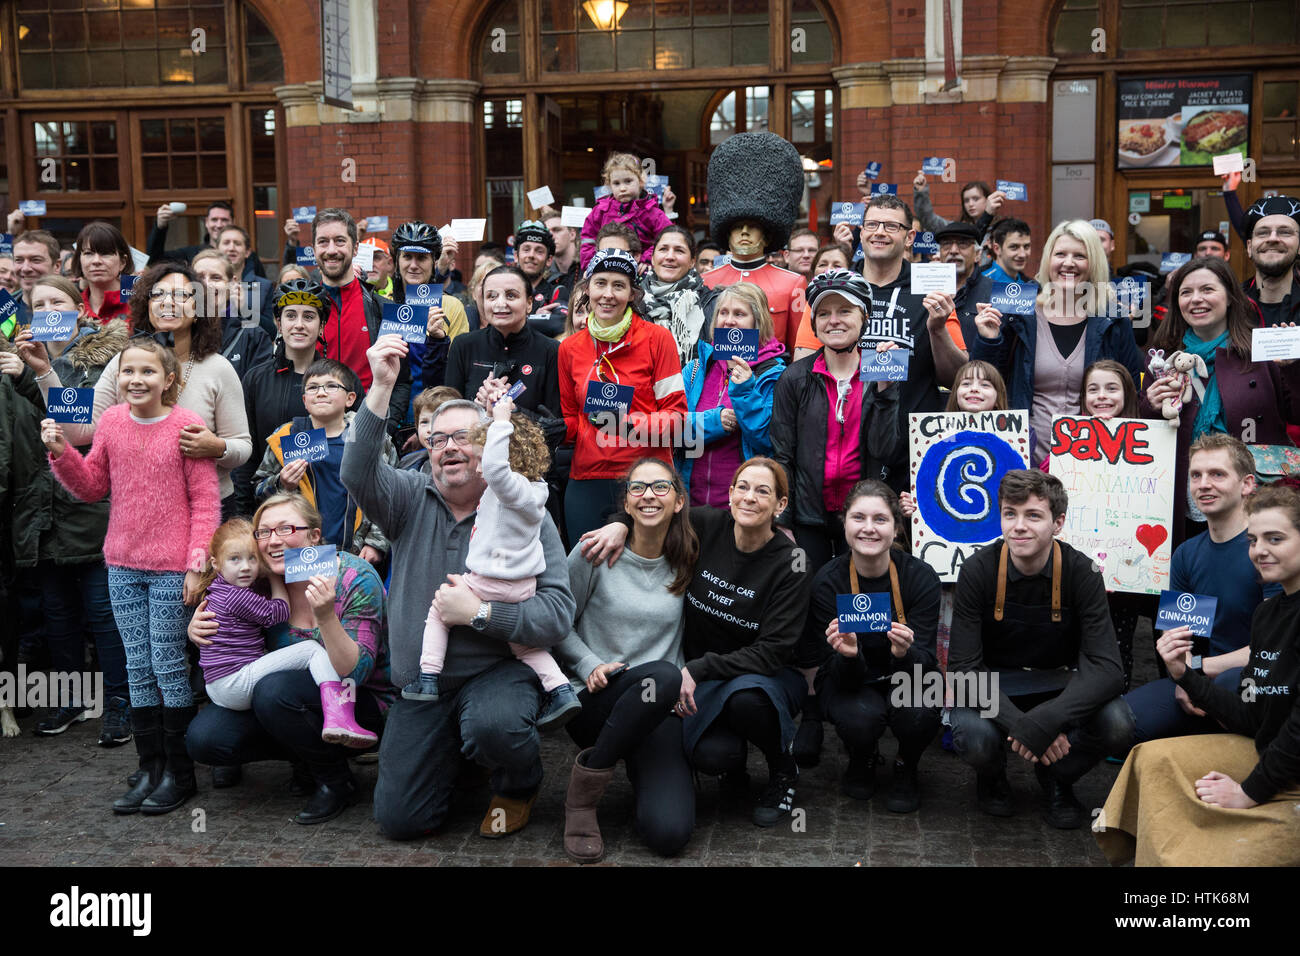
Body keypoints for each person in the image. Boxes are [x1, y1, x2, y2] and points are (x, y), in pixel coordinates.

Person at [341, 335, 576, 840]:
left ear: (488, 443)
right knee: (402, 821)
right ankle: (463, 760)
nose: (448, 448)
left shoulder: (523, 509)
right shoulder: (406, 495)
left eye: (462, 437)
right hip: (422, 687)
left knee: (495, 726)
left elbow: (557, 613)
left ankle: (518, 781)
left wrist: (482, 615)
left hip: (498, 673)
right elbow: (356, 472)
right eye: (437, 439)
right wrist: (381, 386)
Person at [43, 338, 221, 815]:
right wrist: (62, 453)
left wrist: (196, 563)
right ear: (117, 378)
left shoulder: (187, 426)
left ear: (169, 380)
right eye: (128, 371)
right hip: (121, 563)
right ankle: (150, 768)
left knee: (167, 665)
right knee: (136, 667)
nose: (136, 379)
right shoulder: (113, 423)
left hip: (171, 569)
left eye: (147, 372)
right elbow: (92, 486)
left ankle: (180, 776)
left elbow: (205, 502)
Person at [1096, 482, 1300, 867]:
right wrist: (1183, 673)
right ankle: (1136, 855)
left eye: (1275, 538)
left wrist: (1249, 792)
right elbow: (1252, 713)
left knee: (1198, 850)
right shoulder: (1267, 613)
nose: (1260, 550)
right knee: (1149, 758)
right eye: (1254, 540)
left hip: (1285, 764)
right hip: (1265, 746)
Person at [185, 493, 392, 824]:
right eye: (263, 532)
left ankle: (334, 780)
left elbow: (355, 674)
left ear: (314, 535)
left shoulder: (353, 575)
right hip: (288, 700)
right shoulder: (259, 584)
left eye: (285, 529)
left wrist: (325, 615)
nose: (272, 541)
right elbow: (221, 598)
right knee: (206, 738)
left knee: (275, 690)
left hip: (359, 699)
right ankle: (305, 756)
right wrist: (199, 627)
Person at [946, 470, 1132, 829]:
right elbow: (963, 669)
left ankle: (1058, 777)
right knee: (973, 738)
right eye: (1009, 514)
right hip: (996, 686)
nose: (1019, 526)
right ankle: (993, 775)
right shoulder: (976, 571)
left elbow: (1109, 669)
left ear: (1058, 523)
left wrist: (1048, 720)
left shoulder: (1084, 572)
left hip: (1060, 684)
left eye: (1033, 515)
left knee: (1119, 723)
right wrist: (1021, 725)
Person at [405, 392, 581, 729]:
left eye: (483, 452)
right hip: (521, 588)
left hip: (489, 582)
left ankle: (428, 676)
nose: (479, 460)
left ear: (506, 457)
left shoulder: (508, 488)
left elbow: (499, 469)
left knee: (439, 611)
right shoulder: (538, 489)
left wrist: (500, 421)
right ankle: (560, 689)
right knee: (525, 648)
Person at [6, 277, 131, 744]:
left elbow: (75, 425)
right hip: (39, 508)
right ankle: (70, 698)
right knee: (57, 613)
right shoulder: (15, 360)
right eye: (38, 305)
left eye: (57, 302)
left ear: (79, 310)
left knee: (103, 612)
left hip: (90, 503)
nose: (47, 310)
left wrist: (31, 373)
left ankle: (121, 701)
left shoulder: (101, 362)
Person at [556, 458, 697, 860]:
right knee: (664, 675)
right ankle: (582, 798)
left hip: (660, 707)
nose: (648, 495)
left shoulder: (689, 556)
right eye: (637, 488)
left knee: (669, 834)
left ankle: (630, 770)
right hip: (596, 698)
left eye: (660, 487)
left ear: (679, 501)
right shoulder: (593, 552)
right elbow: (557, 625)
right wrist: (588, 665)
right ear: (627, 502)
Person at [803, 196, 970, 483]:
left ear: (909, 237)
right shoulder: (832, 288)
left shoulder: (929, 286)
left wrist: (937, 329)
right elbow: (803, 367)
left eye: (891, 226)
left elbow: (957, 376)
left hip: (914, 447)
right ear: (862, 231)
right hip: (841, 445)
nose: (879, 232)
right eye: (872, 224)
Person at [1123, 434, 1277, 746]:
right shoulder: (1186, 554)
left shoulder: (1269, 548)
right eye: (1196, 475)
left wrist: (1193, 673)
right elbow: (1179, 634)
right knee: (1116, 722)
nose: (1204, 484)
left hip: (1261, 681)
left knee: (1236, 682)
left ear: (1247, 484)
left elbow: (1273, 647)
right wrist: (1186, 677)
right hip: (1199, 678)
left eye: (1217, 474)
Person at [803, 480, 942, 811]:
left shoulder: (921, 577)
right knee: (860, 718)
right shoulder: (826, 581)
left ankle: (907, 764)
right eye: (858, 518)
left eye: (880, 519)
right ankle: (862, 757)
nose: (869, 528)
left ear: (896, 528)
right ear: (845, 524)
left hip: (908, 678)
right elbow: (827, 672)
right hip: (850, 682)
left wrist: (904, 653)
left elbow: (927, 664)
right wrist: (848, 658)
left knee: (921, 712)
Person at [79, 262, 252, 520]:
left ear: (198, 309)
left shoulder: (219, 368)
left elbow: (243, 446)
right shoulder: (122, 362)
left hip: (206, 510)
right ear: (147, 307)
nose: (168, 302)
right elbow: (83, 430)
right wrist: (43, 373)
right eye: (158, 294)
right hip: (139, 509)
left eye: (182, 295)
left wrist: (216, 447)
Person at [1142, 256, 1300, 536]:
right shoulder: (1162, 358)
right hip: (1182, 497)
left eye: (1207, 289)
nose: (1196, 299)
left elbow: (1296, 412)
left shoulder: (1260, 352)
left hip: (1253, 497)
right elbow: (1146, 438)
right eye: (1186, 292)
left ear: (1229, 297)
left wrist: (1292, 369)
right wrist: (1151, 407)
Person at [969, 219, 1143, 465]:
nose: (1068, 263)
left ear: (1093, 262)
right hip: (1025, 460)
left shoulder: (1113, 319)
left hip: (1095, 465)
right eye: (1060, 254)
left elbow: (1131, 394)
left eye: (1080, 256)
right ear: (1048, 260)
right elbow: (986, 381)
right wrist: (988, 339)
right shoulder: (1020, 314)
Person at [195, 518, 376, 746]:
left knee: (278, 691)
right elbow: (278, 611)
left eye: (252, 558)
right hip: (235, 682)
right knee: (311, 649)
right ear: (216, 563)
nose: (245, 567)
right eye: (235, 559)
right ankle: (339, 715)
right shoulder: (237, 594)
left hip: (217, 685)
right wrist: (273, 576)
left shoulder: (220, 588)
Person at [772, 269, 903, 571]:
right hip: (808, 517)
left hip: (863, 515)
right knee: (804, 594)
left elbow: (886, 451)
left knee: (857, 594)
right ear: (814, 324)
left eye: (845, 311)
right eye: (824, 313)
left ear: (864, 317)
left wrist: (885, 391)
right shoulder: (794, 378)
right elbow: (782, 456)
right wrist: (783, 521)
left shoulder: (882, 372)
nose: (834, 320)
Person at [558, 249, 687, 542]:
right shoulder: (569, 348)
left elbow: (677, 419)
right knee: (586, 572)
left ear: (632, 294)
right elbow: (574, 421)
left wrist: (628, 424)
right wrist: (552, 430)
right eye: (600, 283)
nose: (608, 294)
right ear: (587, 288)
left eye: (619, 285)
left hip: (645, 476)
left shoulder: (658, 339)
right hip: (588, 477)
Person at [252, 358, 393, 566]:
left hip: (358, 551)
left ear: (350, 398)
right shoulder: (287, 436)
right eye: (313, 388)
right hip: (302, 554)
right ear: (304, 401)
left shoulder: (371, 437)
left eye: (331, 386)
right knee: (310, 597)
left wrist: (376, 542)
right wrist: (283, 483)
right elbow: (257, 490)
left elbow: (389, 494)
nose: (321, 392)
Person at [703, 133, 808, 356]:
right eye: (737, 225)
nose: (743, 231)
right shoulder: (706, 281)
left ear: (767, 235)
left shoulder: (793, 284)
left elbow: (797, 347)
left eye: (752, 226)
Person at [680, 282, 784, 508]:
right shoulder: (696, 369)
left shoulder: (774, 374)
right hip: (690, 501)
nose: (729, 321)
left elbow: (768, 439)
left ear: (758, 322)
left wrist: (745, 390)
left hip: (742, 506)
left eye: (739, 314)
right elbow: (672, 429)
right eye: (723, 313)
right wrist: (715, 421)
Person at [234, 279, 328, 518]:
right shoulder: (255, 380)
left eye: (308, 316)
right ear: (278, 322)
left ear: (322, 325)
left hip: (327, 509)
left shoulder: (340, 380)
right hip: (269, 509)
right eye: (290, 316)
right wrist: (244, 518)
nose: (299, 325)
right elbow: (248, 458)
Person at [312, 208, 409, 436]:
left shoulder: (383, 309)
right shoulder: (301, 312)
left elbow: (402, 381)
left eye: (339, 241)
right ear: (314, 249)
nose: (331, 250)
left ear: (355, 248)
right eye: (323, 242)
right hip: (315, 432)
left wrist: (386, 428)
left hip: (368, 430)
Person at [389, 221, 470, 406]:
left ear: (434, 262)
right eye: (407, 256)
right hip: (392, 410)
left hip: (435, 410)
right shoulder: (384, 302)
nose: (413, 265)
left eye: (422, 258)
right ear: (397, 260)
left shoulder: (452, 305)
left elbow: (457, 370)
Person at [578, 152, 674, 272]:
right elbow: (588, 239)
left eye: (628, 181)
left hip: (642, 270)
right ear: (609, 185)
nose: (622, 188)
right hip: (606, 269)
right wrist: (591, 266)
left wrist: (648, 258)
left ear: (641, 181)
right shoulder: (600, 210)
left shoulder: (652, 212)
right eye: (616, 183)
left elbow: (668, 237)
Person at [640, 225, 716, 368]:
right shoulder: (632, 301)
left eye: (679, 251)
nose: (670, 257)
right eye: (663, 249)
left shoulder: (713, 303)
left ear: (692, 261)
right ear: (652, 258)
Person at [192, 248, 272, 380]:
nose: (206, 284)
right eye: (199, 278)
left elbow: (259, 393)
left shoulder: (255, 337)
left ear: (232, 283)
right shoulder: (179, 333)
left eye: (216, 277)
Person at [148, 200, 266, 278]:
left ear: (232, 222)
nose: (219, 225)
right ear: (206, 222)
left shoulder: (247, 256)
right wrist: (160, 226)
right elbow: (155, 260)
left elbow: (261, 286)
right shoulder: (191, 254)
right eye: (214, 220)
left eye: (224, 220)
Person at [1241, 195, 1300, 328]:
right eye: (1263, 233)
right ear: (1249, 247)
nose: (1273, 238)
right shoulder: (1229, 303)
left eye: (1285, 232)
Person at [512, 219, 569, 337]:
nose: (531, 255)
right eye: (526, 249)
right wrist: (537, 318)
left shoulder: (557, 291)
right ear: (516, 256)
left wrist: (517, 320)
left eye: (539, 251)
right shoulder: (503, 289)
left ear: (549, 260)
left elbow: (560, 323)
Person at [215, 225, 276, 334]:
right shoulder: (205, 284)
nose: (231, 248)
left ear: (247, 252)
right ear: (217, 249)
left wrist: (244, 308)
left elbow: (271, 332)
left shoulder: (264, 286)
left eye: (237, 243)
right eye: (226, 243)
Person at [73, 222, 132, 327]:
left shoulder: (140, 303)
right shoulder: (71, 306)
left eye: (105, 253)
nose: (96, 261)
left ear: (122, 262)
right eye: (88, 253)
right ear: (79, 260)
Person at [911, 175, 1002, 235]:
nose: (970, 204)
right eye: (966, 200)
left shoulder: (999, 230)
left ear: (987, 199)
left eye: (976, 199)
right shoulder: (957, 228)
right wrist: (921, 193)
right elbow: (928, 219)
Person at [11, 230, 59, 324]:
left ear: (57, 266)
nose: (25, 268)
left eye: (36, 260)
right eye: (19, 260)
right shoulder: (4, 307)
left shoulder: (74, 306)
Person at [981, 218, 1033, 285]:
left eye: (1026, 247)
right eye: (1014, 247)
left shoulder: (1031, 285)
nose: (1022, 254)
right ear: (997, 249)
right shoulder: (979, 283)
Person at [542, 210, 580, 296]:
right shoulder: (544, 276)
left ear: (572, 234)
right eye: (547, 232)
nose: (551, 236)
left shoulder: (588, 268)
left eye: (557, 230)